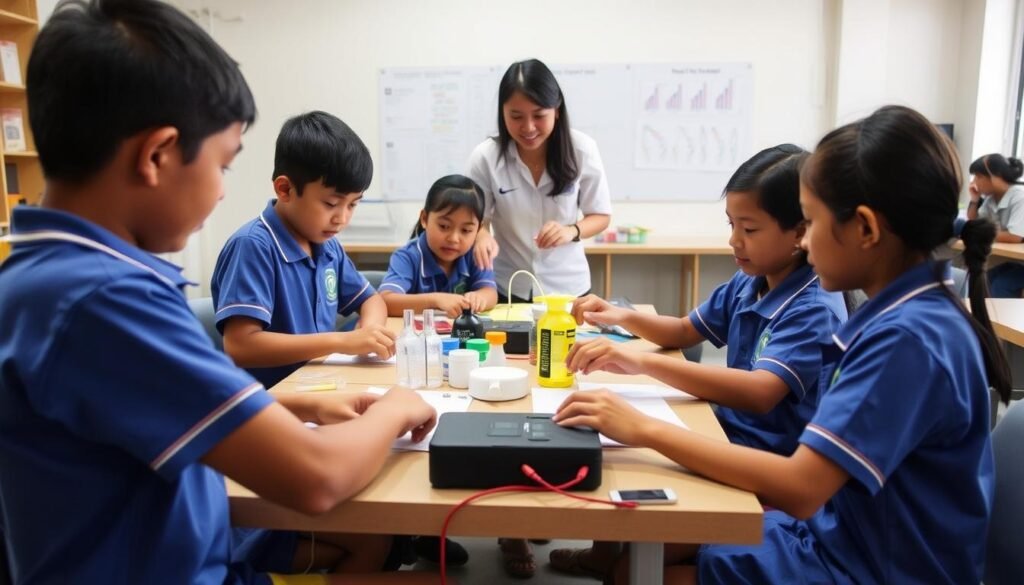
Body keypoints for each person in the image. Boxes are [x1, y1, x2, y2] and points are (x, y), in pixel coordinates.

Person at [0, 1, 441, 583]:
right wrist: (398, 408)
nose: (218, 193)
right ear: (157, 155)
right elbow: (315, 475)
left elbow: (146, 417)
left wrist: (291, 403)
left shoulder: (51, 277)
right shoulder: (103, 301)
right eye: (224, 164)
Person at [555, 105, 1010, 585]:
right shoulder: (906, 316)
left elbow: (800, 487)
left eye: (810, 223)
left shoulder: (906, 339)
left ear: (865, 229)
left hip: (871, 566)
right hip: (840, 533)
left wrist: (644, 429)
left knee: (636, 571)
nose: (806, 243)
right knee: (635, 553)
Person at [549, 144, 847, 579]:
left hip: (766, 464)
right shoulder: (751, 281)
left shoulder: (812, 305)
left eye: (749, 228)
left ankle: (621, 562)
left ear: (800, 232)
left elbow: (760, 393)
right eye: (731, 225)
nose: (733, 241)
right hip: (727, 434)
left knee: (632, 566)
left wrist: (642, 364)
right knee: (621, 450)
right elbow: (686, 330)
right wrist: (618, 316)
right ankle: (606, 555)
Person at [212, 111, 396, 390]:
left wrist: (370, 331)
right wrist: (342, 341)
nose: (342, 218)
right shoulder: (253, 246)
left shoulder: (327, 245)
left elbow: (372, 301)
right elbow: (241, 345)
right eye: (331, 203)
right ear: (285, 189)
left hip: (321, 386)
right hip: (272, 403)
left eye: (353, 204)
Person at [466, 58, 612, 302]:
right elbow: (476, 220)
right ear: (502, 113)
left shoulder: (582, 150)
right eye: (516, 116)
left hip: (568, 288)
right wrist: (481, 236)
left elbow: (601, 216)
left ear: (556, 110)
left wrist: (571, 231)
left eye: (539, 115)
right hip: (508, 286)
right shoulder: (485, 157)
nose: (528, 127)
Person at [379, 174, 497, 318]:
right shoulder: (408, 257)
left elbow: (490, 292)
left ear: (478, 230)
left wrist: (479, 297)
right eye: (444, 226)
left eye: (465, 230)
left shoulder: (475, 254)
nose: (454, 239)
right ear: (424, 219)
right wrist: (435, 300)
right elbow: (385, 301)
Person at [966, 153, 1024, 297]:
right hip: (1017, 263)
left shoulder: (1019, 196)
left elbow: (1015, 236)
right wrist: (975, 199)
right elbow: (975, 223)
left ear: (996, 176)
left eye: (979, 176)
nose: (974, 182)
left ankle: (995, 319)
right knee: (984, 278)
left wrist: (982, 231)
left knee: (1001, 285)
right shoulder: (991, 199)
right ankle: (981, 318)